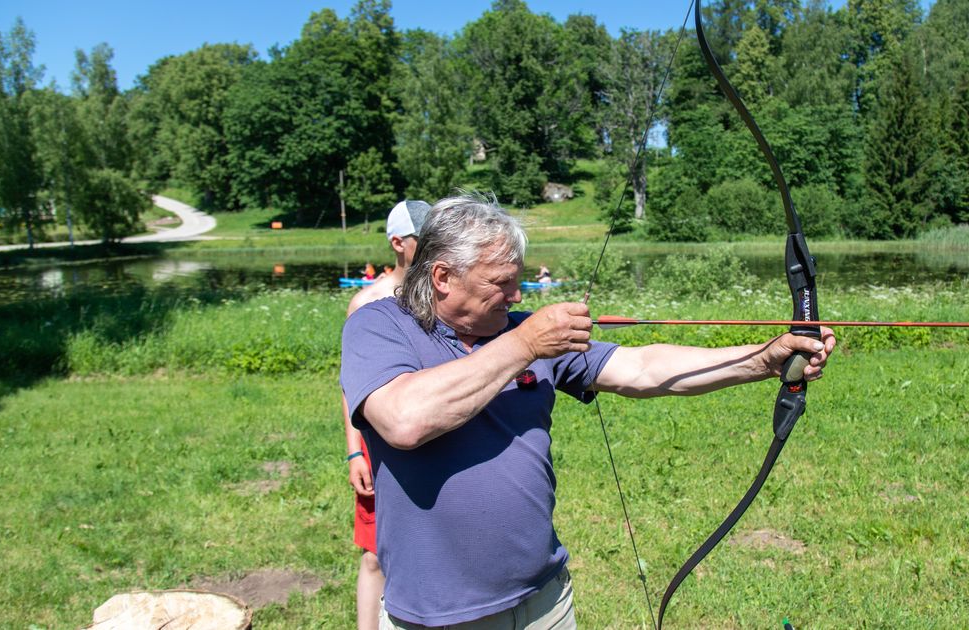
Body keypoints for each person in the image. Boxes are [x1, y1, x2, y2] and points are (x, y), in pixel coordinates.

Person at [339, 192, 835, 629]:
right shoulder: (381, 325)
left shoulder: (520, 332)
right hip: (437, 615)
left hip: (545, 601)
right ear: (444, 277)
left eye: (519, 281)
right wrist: (525, 344)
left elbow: (641, 368)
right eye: (502, 283)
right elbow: (404, 420)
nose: (516, 295)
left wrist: (763, 359)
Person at [342, 199, 431, 630]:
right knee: (376, 552)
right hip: (375, 441)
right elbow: (350, 388)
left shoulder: (438, 294)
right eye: (425, 238)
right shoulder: (368, 302)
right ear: (398, 243)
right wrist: (354, 453)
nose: (437, 245)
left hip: (423, 433)